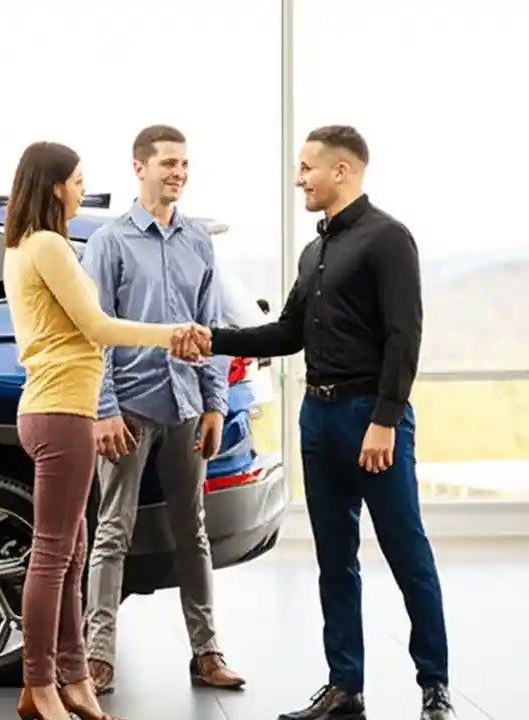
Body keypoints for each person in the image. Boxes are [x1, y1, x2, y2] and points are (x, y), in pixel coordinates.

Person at [188, 125, 454, 720]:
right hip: (318, 416)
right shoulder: (316, 252)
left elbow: (403, 336)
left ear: (343, 171)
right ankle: (345, 688)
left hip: (370, 417)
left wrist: (385, 420)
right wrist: (213, 340)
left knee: (406, 550)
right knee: (334, 557)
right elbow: (286, 332)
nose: (298, 178)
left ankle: (434, 686)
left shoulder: (388, 238)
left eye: (307, 168)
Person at [2, 139, 204, 720]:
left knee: (73, 551)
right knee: (52, 553)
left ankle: (73, 678)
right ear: (54, 186)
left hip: (52, 406)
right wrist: (171, 334)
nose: (81, 190)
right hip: (63, 410)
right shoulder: (49, 246)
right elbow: (96, 325)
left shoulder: (23, 246)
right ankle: (38, 685)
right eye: (76, 180)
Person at [80, 124, 246, 695]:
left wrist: (214, 405)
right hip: (127, 407)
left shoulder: (199, 241)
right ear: (139, 167)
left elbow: (212, 330)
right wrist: (104, 409)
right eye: (168, 163)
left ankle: (207, 652)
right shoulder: (110, 242)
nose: (178, 173)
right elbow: (92, 334)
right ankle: (97, 657)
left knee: (192, 532)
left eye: (184, 165)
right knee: (111, 532)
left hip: (185, 407)